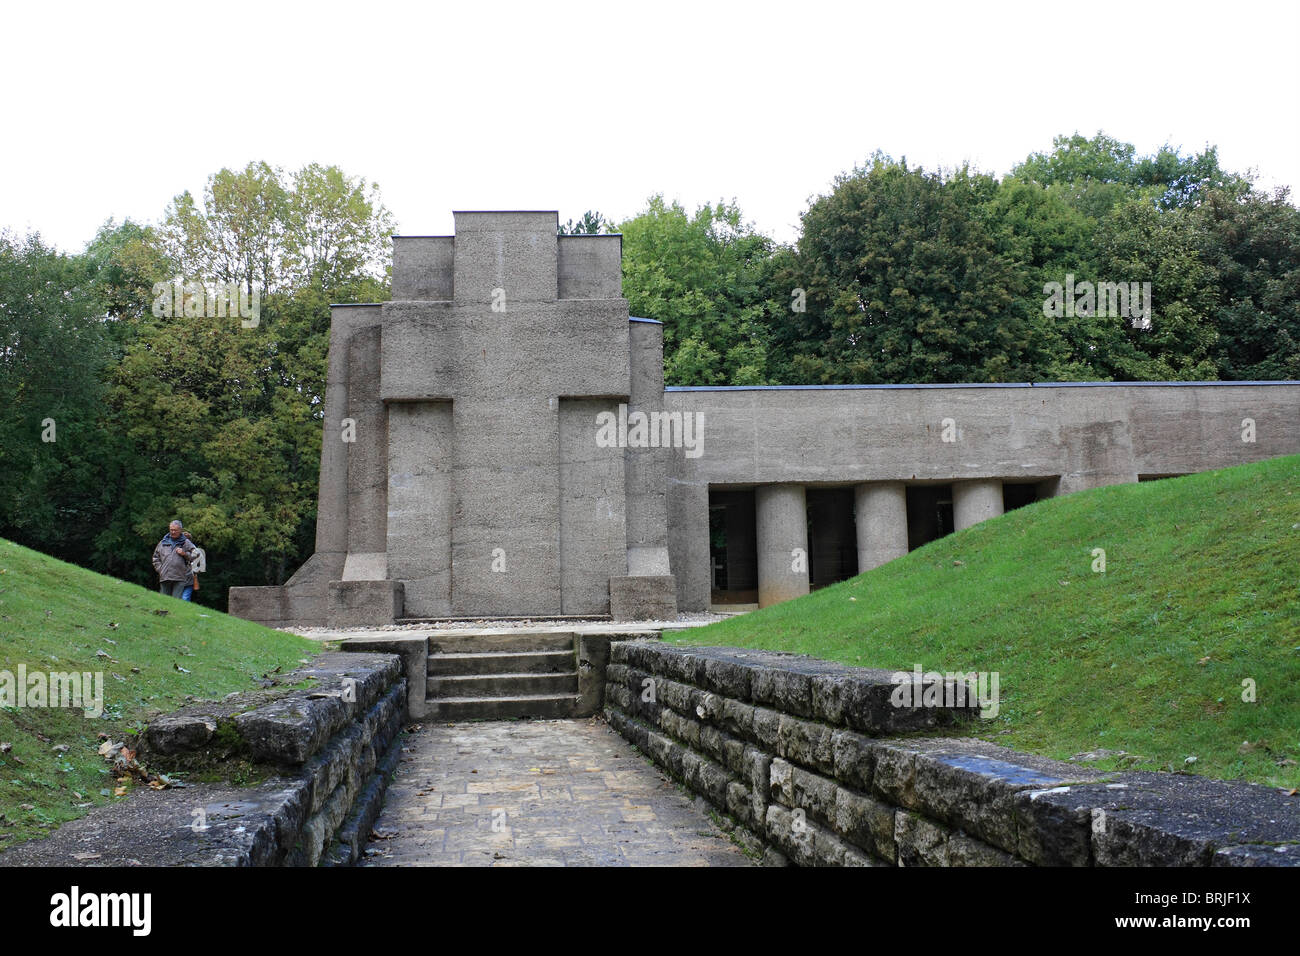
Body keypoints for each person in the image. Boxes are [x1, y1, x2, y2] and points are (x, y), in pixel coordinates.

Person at [152, 520, 198, 599]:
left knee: (176, 601)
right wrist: (160, 569)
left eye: (175, 530)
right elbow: (155, 558)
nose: (173, 532)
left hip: (180, 577)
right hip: (165, 576)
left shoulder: (186, 542)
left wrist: (185, 554)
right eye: (171, 530)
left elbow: (196, 554)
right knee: (163, 599)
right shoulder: (163, 542)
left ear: (180, 530)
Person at [180, 530, 201, 601]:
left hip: (188, 578)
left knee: (185, 598)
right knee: (183, 598)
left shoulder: (193, 550)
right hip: (180, 577)